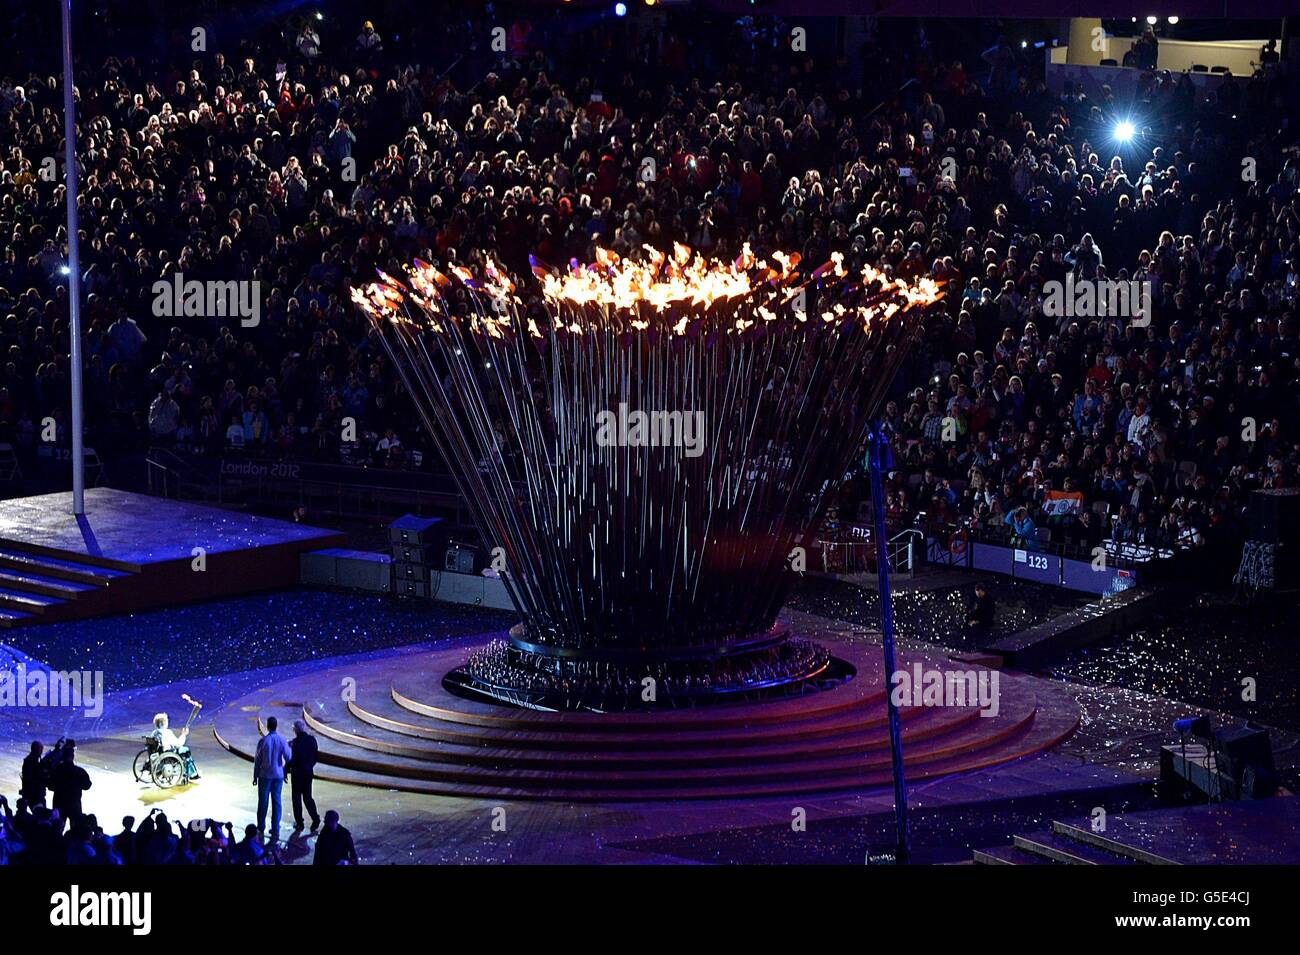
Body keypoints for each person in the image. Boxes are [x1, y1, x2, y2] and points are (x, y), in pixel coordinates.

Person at [253, 716, 292, 843]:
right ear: (277, 726)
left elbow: (257, 760)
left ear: (268, 726)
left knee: (263, 802)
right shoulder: (282, 740)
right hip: (278, 775)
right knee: (277, 802)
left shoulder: (263, 741)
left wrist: (255, 775)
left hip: (264, 775)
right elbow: (288, 756)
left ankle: (261, 826)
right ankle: (275, 827)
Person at [47, 740, 91, 830]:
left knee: (57, 828)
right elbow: (87, 785)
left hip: (59, 803)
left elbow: (50, 786)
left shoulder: (56, 771)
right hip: (74, 804)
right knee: (76, 830)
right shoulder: (79, 771)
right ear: (73, 756)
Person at [288, 720, 321, 833]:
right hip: (308, 773)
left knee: (297, 798)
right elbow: (316, 756)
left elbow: (293, 760)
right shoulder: (312, 740)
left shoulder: (295, 743)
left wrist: (286, 769)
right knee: (308, 797)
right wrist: (309, 766)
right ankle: (315, 818)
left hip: (297, 774)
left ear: (296, 730)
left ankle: (299, 822)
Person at [150, 712, 200, 780]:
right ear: (164, 723)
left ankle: (190, 771)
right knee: (186, 750)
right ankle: (192, 773)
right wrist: (183, 734)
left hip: (159, 754)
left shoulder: (154, 733)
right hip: (168, 755)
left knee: (183, 751)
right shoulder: (167, 732)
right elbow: (178, 744)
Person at [20, 741, 46, 807]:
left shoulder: (32, 760)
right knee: (40, 814)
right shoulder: (31, 761)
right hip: (34, 795)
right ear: (36, 750)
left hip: (33, 794)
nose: (42, 751)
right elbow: (33, 778)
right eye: (41, 749)